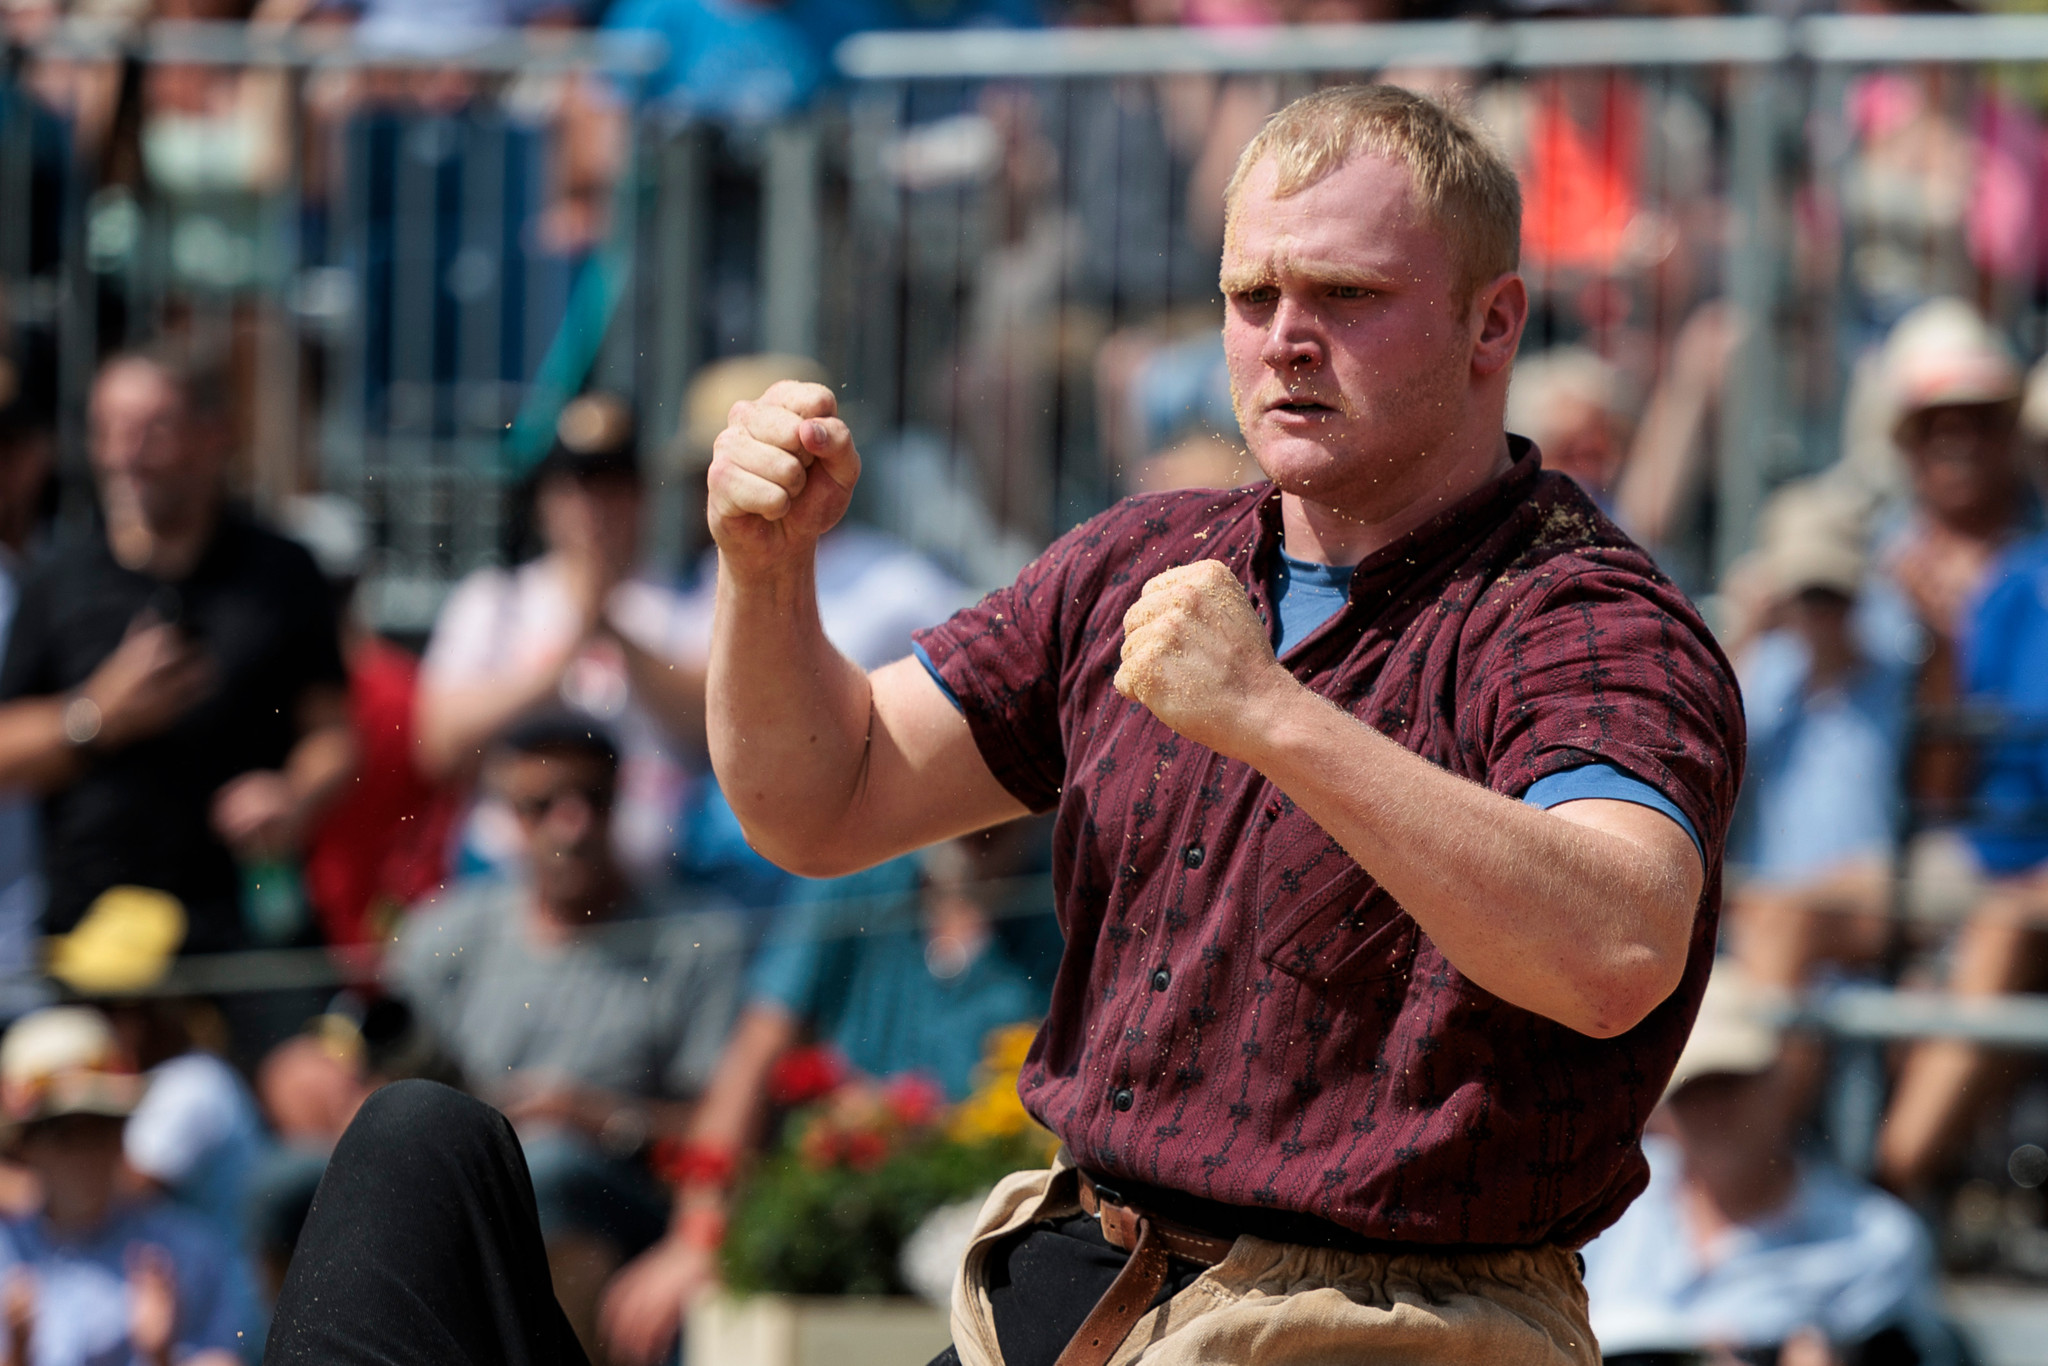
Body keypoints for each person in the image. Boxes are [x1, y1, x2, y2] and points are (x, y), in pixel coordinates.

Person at [264, 83, 1743, 1366]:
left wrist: (1275, 718)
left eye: (1347, 297)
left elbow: (1614, 945)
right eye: (1251, 297)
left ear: (1495, 326)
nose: (1287, 339)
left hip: (1392, 1318)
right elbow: (822, 800)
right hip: (1065, 1288)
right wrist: (767, 578)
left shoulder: (1582, 618)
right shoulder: (1143, 558)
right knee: (416, 1155)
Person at [388, 711, 744, 1353]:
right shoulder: (445, 936)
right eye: (541, 805)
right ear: (507, 818)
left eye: (592, 800)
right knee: (289, 1185)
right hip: (474, 1183)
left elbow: (725, 1127)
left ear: (620, 802)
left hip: (627, 1198)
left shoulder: (695, 937)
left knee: (543, 1168)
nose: (570, 826)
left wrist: (593, 1116)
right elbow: (379, 1059)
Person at [0, 347, 354, 957]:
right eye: (107, 430)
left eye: (151, 429)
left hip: (246, 922)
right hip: (93, 930)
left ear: (215, 435)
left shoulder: (283, 571)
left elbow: (337, 737)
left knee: (318, 1058)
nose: (124, 453)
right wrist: (95, 717)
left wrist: (291, 796)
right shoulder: (55, 581)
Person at [1581, 965, 1948, 1365]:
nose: (1715, 1111)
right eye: (1694, 1092)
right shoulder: (1602, 1206)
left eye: (1731, 1083)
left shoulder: (1879, 1240)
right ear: (1664, 1109)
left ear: (1778, 1082)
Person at [416, 393, 703, 889]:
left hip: (657, 883)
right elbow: (437, 746)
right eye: (577, 489)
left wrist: (615, 632)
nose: (595, 508)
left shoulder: (690, 597)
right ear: (547, 502)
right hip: (508, 879)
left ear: (641, 498)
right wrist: (560, 665)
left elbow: (717, 730)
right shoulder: (495, 599)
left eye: (614, 487)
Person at [0, 1005, 258, 1366]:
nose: (87, 1152)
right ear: (23, 1148)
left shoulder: (186, 1250)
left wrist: (161, 1355)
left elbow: (223, 1359)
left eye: (102, 1128)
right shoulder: (7, 1252)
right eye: (63, 1135)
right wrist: (16, 1355)